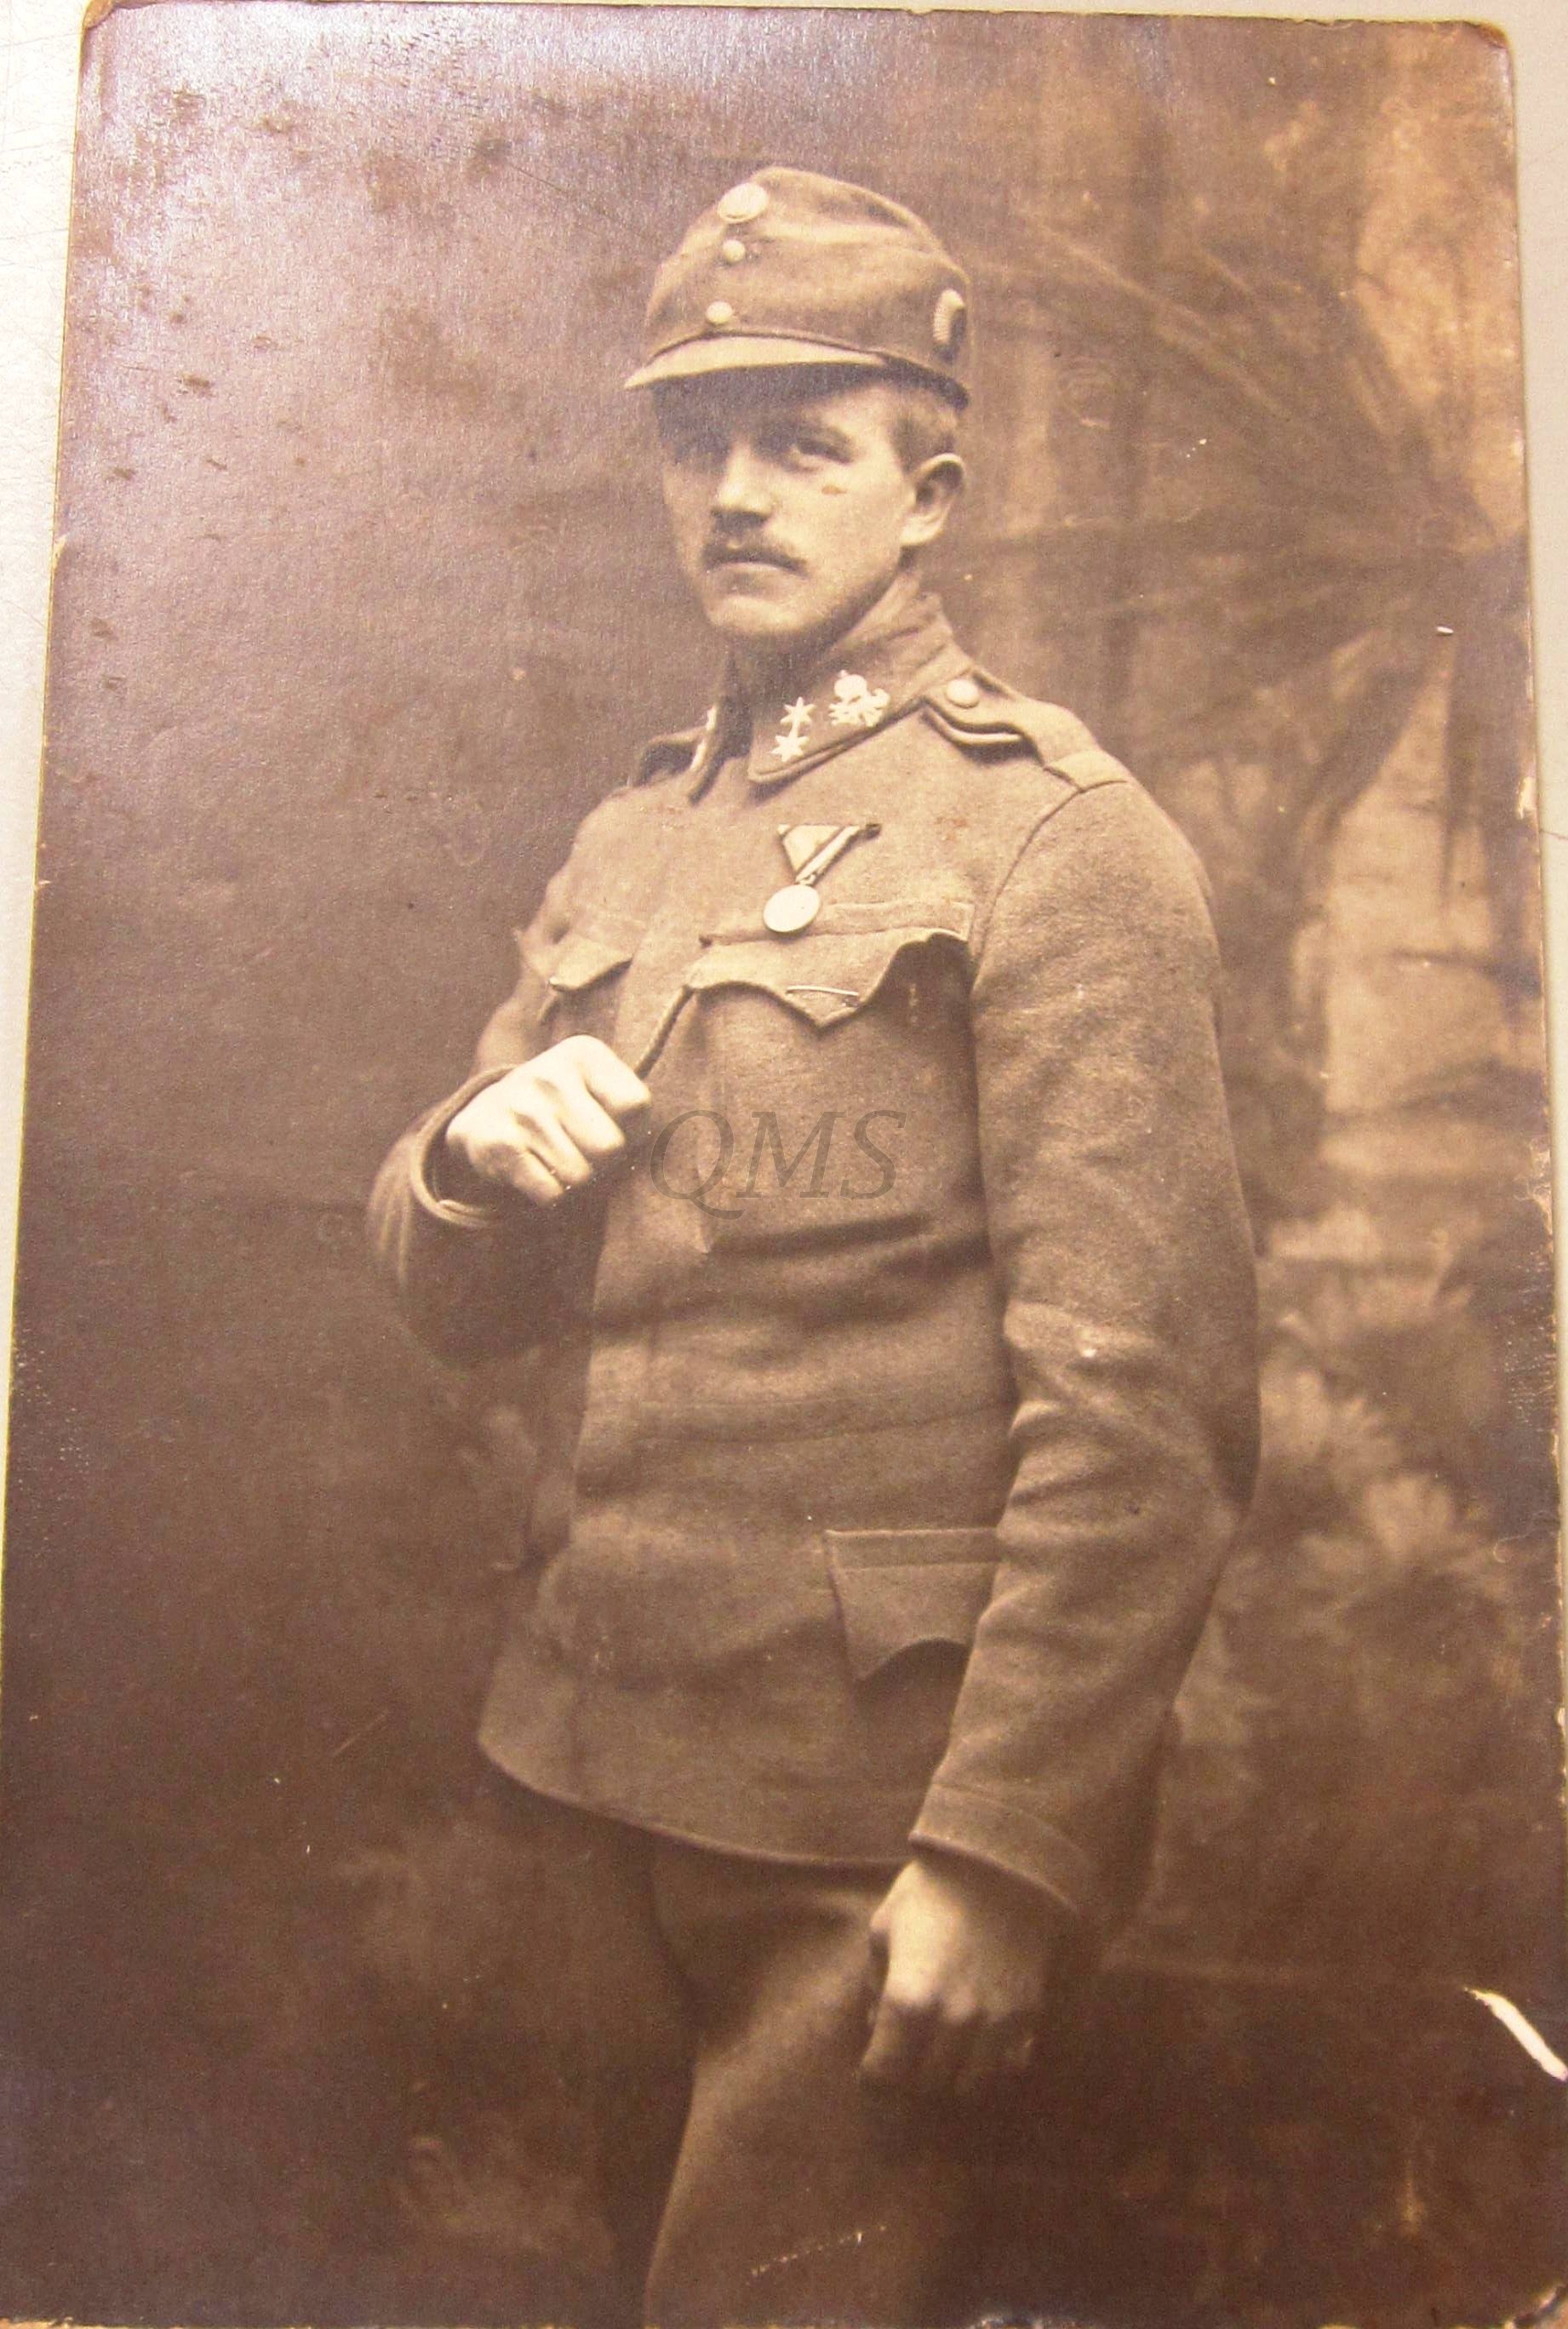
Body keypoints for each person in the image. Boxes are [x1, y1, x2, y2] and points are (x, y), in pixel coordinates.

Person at [369, 166, 1258, 2326]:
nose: (739, 494)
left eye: (803, 442)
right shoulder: (640, 830)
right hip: (588, 1773)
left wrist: (1004, 1854)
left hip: (862, 1840)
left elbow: (1145, 1414)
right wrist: (467, 1159)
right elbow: (461, 1297)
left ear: (928, 495)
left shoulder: (1056, 840)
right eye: (698, 443)